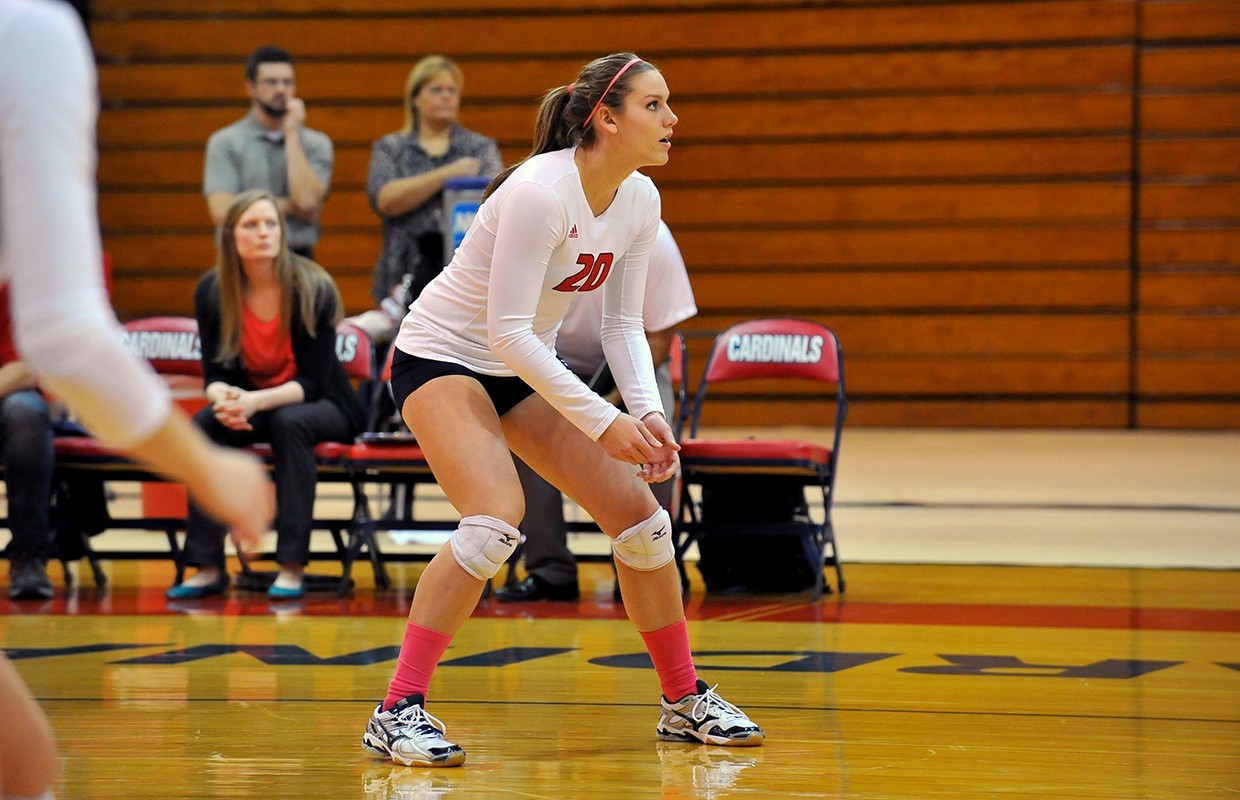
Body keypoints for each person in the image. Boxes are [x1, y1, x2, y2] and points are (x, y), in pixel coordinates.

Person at [361, 52, 763, 769]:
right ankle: (397, 709)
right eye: (655, 106)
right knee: (493, 521)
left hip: (516, 368)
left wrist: (644, 414)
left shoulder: (639, 198)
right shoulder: (540, 191)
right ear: (606, 118)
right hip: (442, 358)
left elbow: (622, 325)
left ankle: (682, 699)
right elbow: (506, 331)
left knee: (642, 525)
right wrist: (602, 422)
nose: (672, 120)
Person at [0, 2, 274, 798]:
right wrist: (208, 470)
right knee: (24, 769)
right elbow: (66, 335)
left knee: (22, 764)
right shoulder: (30, 31)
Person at [166, 190, 366, 601]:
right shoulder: (212, 291)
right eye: (251, 225)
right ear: (230, 236)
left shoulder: (313, 286)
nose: (263, 233)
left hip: (326, 404)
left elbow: (312, 382)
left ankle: (291, 566)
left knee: (288, 422)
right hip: (255, 400)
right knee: (206, 425)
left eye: (270, 224)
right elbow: (215, 370)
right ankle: (206, 567)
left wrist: (252, 402)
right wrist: (225, 399)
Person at [496, 220, 697, 602]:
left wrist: (610, 406)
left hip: (631, 366)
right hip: (548, 362)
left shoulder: (652, 234)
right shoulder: (542, 225)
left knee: (657, 438)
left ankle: (643, 566)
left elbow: (658, 336)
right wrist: (578, 406)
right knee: (521, 436)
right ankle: (549, 569)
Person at [350, 55, 503, 348]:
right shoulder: (392, 147)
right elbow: (386, 198)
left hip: (463, 270)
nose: (446, 96)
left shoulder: (480, 147)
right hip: (402, 271)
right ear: (415, 99)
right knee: (392, 357)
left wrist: (420, 188)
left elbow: (496, 198)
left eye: (452, 90)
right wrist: (450, 174)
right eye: (436, 89)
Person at [203, 45, 332, 260]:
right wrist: (286, 206)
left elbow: (306, 201)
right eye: (271, 82)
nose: (281, 89)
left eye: (287, 82)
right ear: (250, 88)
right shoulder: (225, 142)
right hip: (240, 258)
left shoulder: (316, 143)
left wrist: (292, 135)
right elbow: (222, 212)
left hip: (297, 257)